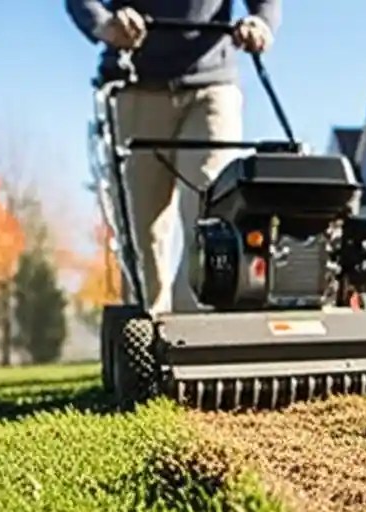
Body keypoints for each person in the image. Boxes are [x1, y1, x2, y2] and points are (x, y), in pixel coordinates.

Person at [67, 1, 282, 315]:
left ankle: (196, 326)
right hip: (136, 81)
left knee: (211, 211)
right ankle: (147, 331)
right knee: (144, 227)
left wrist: (262, 22)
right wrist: (104, 24)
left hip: (211, 83)